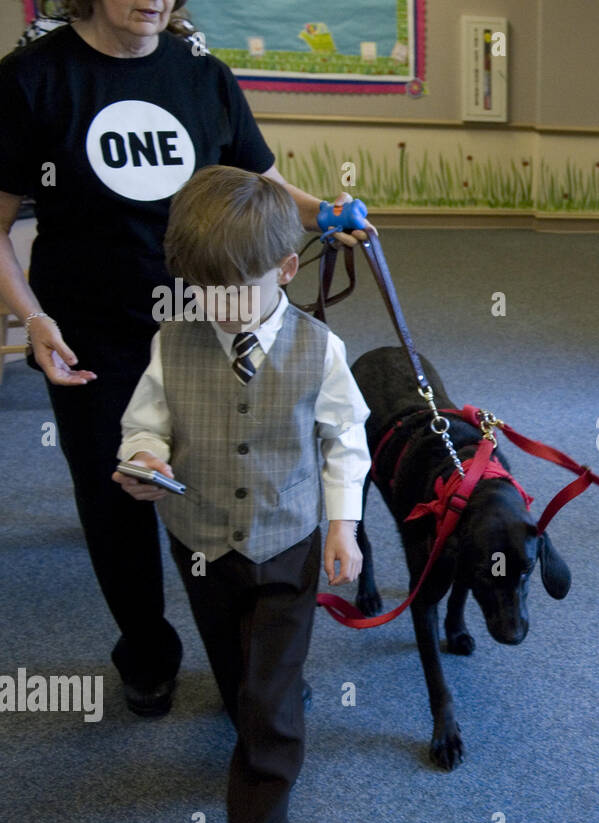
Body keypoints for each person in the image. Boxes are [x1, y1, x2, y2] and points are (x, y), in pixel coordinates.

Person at [0, 0, 371, 718]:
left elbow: (260, 184)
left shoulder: (202, 74)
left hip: (212, 322)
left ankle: (253, 666)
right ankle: (146, 648)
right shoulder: (31, 80)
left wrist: (324, 211)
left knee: (237, 479)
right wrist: (34, 317)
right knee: (121, 492)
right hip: (91, 330)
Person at [112, 165, 370, 823]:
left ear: (287, 268)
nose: (218, 304)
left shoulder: (321, 349)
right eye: (202, 289)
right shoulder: (174, 342)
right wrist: (142, 455)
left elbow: (346, 438)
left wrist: (343, 524)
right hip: (197, 540)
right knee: (232, 663)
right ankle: (248, 701)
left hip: (287, 540)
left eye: (235, 286)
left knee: (271, 703)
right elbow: (146, 422)